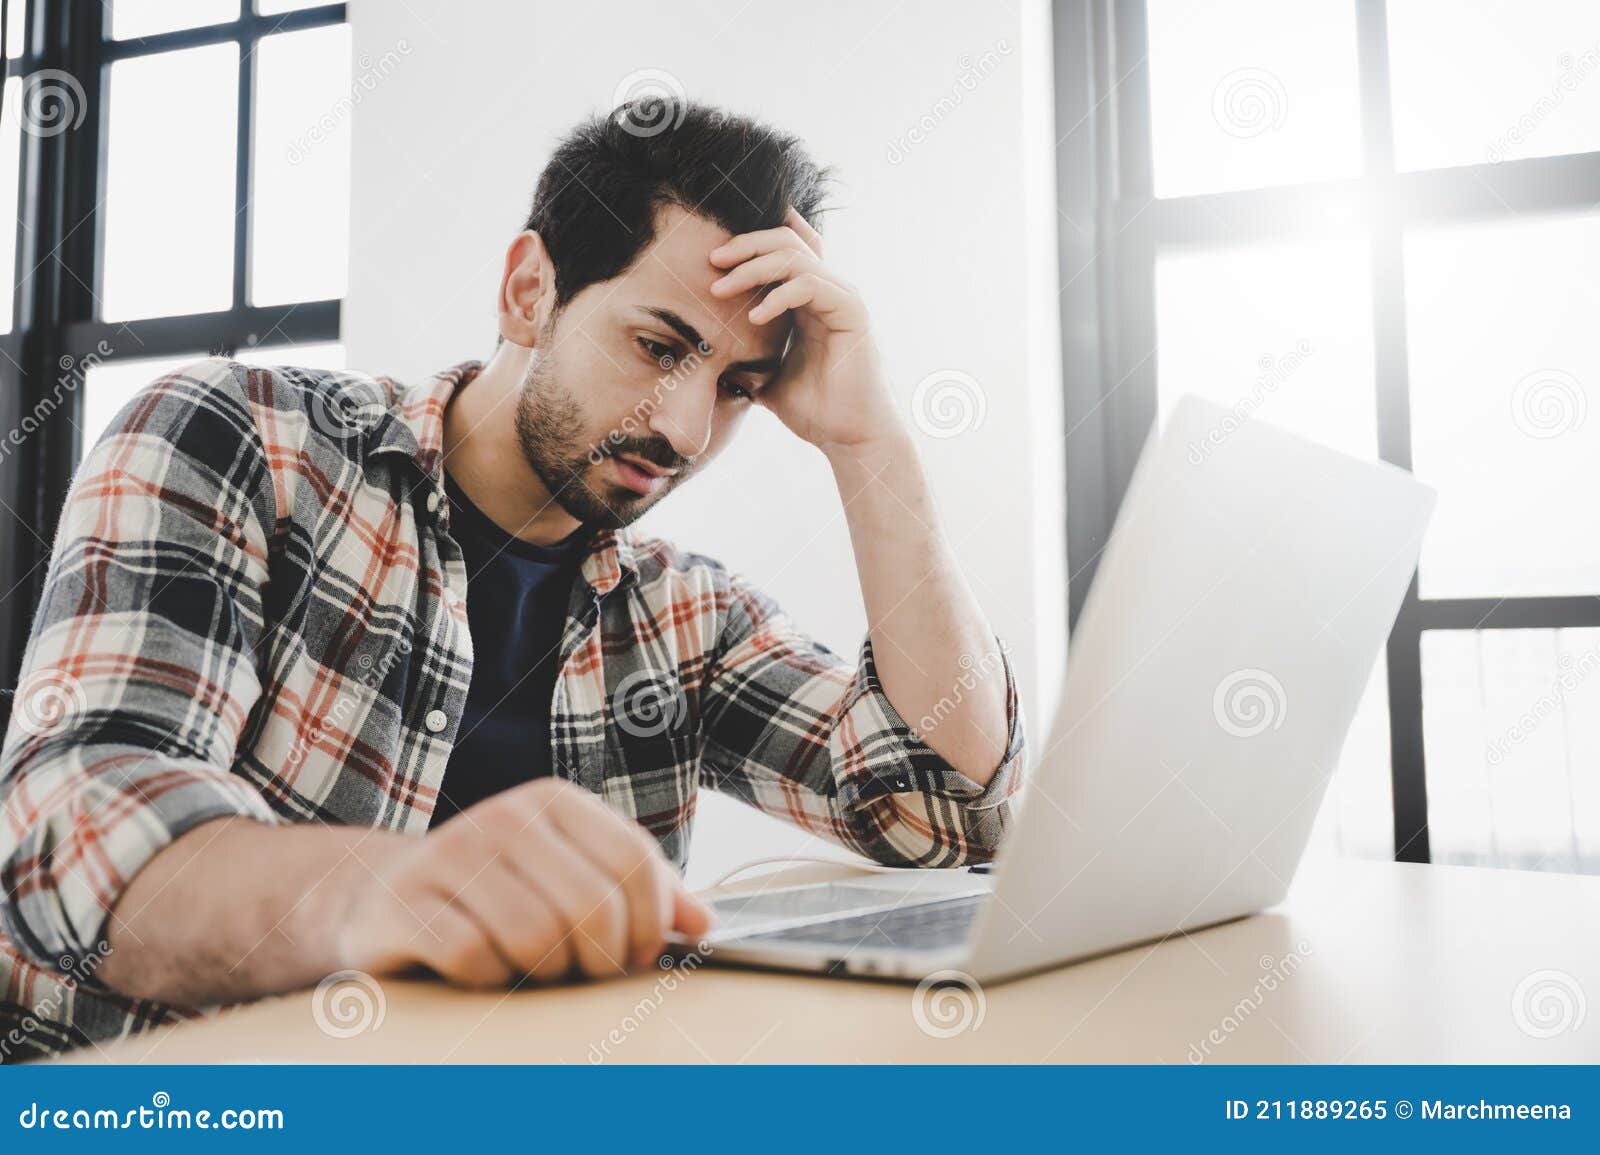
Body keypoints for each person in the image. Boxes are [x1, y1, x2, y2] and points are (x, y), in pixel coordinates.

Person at [0, 100, 1025, 1060]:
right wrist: (398, 898)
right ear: (529, 289)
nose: (683, 430)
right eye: (658, 346)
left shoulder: (685, 614)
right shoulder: (246, 443)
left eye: (736, 388)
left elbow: (945, 816)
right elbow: (76, 837)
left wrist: (868, 440)